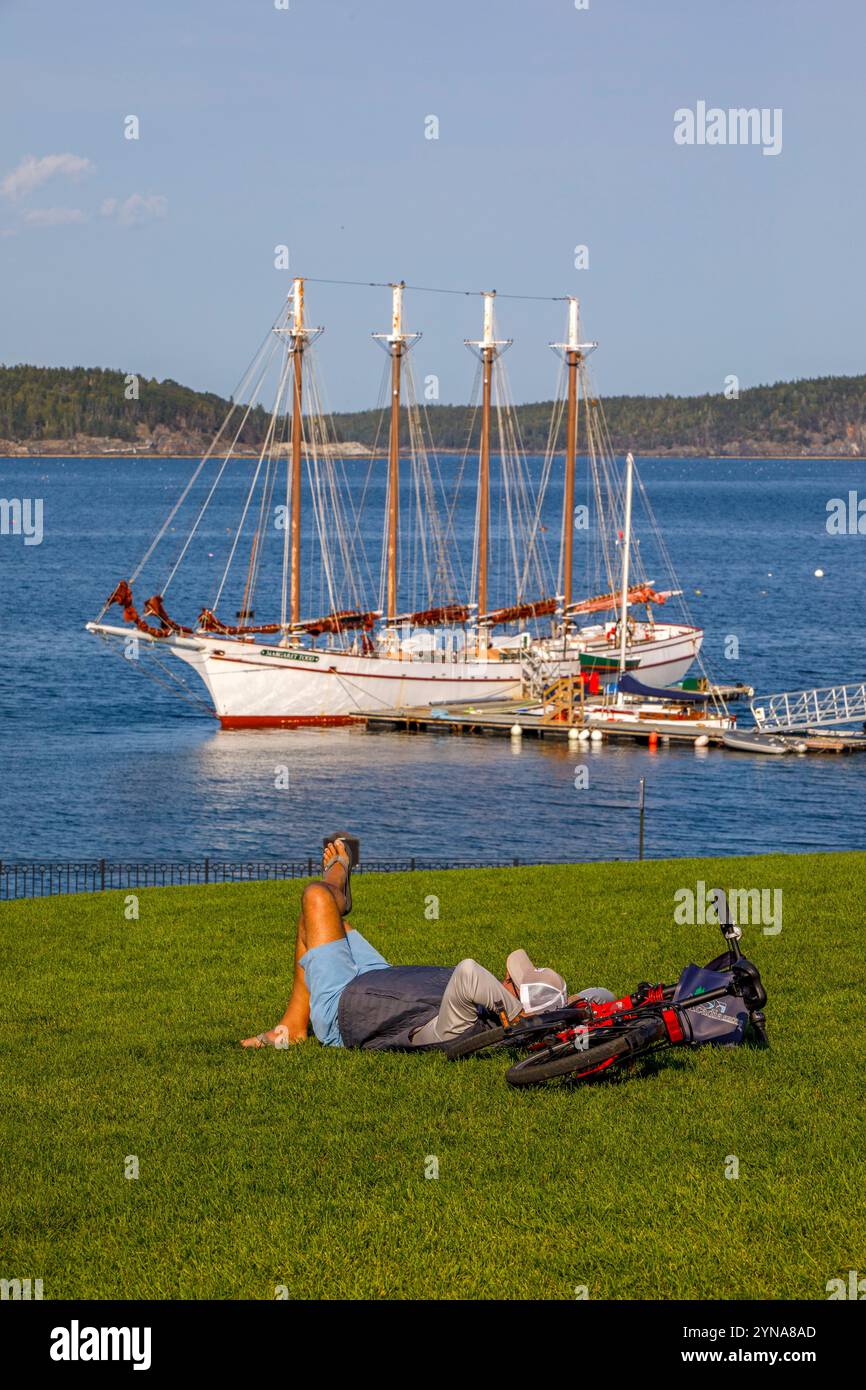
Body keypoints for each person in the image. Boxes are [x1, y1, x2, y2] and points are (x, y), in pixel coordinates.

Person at [241, 837, 610, 1052]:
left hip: (346, 1010)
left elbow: (468, 973)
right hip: (377, 979)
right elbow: (602, 993)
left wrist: (519, 1016)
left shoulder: (468, 1026)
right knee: (322, 917)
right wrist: (571, 1006)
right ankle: (292, 1027)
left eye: (511, 981)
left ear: (515, 1002)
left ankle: (338, 872)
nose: (503, 978)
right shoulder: (492, 1012)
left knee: (317, 897)